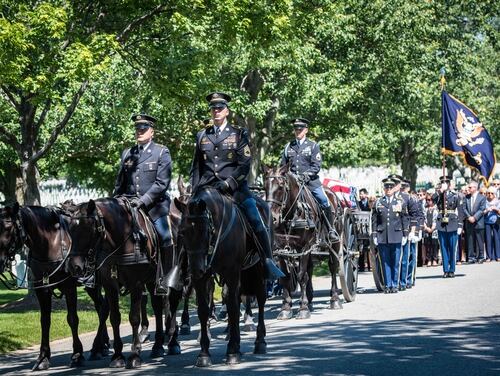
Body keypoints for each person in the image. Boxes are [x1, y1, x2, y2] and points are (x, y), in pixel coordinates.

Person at [189, 92, 283, 280]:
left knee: (257, 220)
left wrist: (228, 183)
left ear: (226, 111)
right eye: (213, 108)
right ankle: (181, 268)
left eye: (220, 108)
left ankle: (267, 261)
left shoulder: (238, 134)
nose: (216, 111)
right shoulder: (202, 136)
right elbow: (196, 168)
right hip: (206, 190)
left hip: (235, 190)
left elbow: (244, 165)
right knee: (187, 224)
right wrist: (194, 192)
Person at [113, 113, 173, 294]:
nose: (139, 131)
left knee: (165, 236)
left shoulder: (161, 152)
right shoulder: (127, 154)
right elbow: (120, 183)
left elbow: (162, 183)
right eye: (137, 128)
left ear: (152, 131)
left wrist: (143, 201)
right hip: (129, 206)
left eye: (144, 128)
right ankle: (118, 275)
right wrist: (116, 201)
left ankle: (165, 277)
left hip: (154, 207)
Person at [280, 118, 336, 240]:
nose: (298, 132)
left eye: (300, 129)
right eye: (296, 129)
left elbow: (316, 166)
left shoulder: (313, 146)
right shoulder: (288, 147)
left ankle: (330, 229)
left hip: (310, 182)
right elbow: (283, 167)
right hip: (293, 183)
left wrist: (305, 176)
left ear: (306, 130)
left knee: (323, 200)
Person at [371, 177, 409, 293]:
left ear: (393, 189)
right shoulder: (378, 202)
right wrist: (374, 234)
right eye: (386, 187)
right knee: (385, 262)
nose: (388, 189)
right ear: (384, 189)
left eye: (390, 187)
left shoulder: (400, 202)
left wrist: (405, 234)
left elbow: (404, 218)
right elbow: (374, 219)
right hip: (383, 236)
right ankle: (387, 285)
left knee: (396, 262)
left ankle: (394, 284)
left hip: (396, 235)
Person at [432, 176, 463, 278]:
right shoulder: (439, 194)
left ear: (449, 184)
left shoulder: (456, 195)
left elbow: (461, 211)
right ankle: (445, 270)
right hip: (441, 223)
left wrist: (460, 225)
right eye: (442, 183)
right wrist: (441, 190)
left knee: (452, 247)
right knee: (443, 248)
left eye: (446, 183)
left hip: (452, 222)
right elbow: (433, 199)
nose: (444, 185)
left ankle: (452, 269)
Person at [463, 180, 486, 264]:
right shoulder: (466, 197)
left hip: (478, 221)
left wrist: (475, 217)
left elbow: (482, 209)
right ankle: (471, 257)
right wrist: (469, 217)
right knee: (470, 239)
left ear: (475, 188)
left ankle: (481, 256)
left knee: (480, 239)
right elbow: (464, 208)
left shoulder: (482, 197)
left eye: (470, 187)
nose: (468, 188)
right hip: (469, 221)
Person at [484, 187, 500, 262]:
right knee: (488, 239)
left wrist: (496, 209)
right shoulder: (484, 201)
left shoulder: (498, 202)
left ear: (495, 194)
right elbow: (482, 212)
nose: (490, 195)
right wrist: (487, 210)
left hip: (496, 222)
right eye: (488, 193)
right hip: (487, 222)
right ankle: (488, 256)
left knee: (497, 239)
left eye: (492, 193)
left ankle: (498, 256)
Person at [423, 194, 439, 266]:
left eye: (430, 200)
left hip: (434, 229)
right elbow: (423, 219)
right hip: (426, 229)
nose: (428, 201)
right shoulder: (424, 209)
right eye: (427, 200)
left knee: (435, 244)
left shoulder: (436, 209)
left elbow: (437, 219)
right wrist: (426, 227)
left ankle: (435, 259)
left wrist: (432, 228)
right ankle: (429, 259)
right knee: (427, 244)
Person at [358, 188, 371, 271]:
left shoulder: (370, 202)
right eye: (360, 194)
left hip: (369, 225)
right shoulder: (358, 203)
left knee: (369, 246)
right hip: (361, 226)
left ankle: (371, 265)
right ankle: (361, 266)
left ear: (366, 194)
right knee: (360, 247)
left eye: (362, 194)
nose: (360, 195)